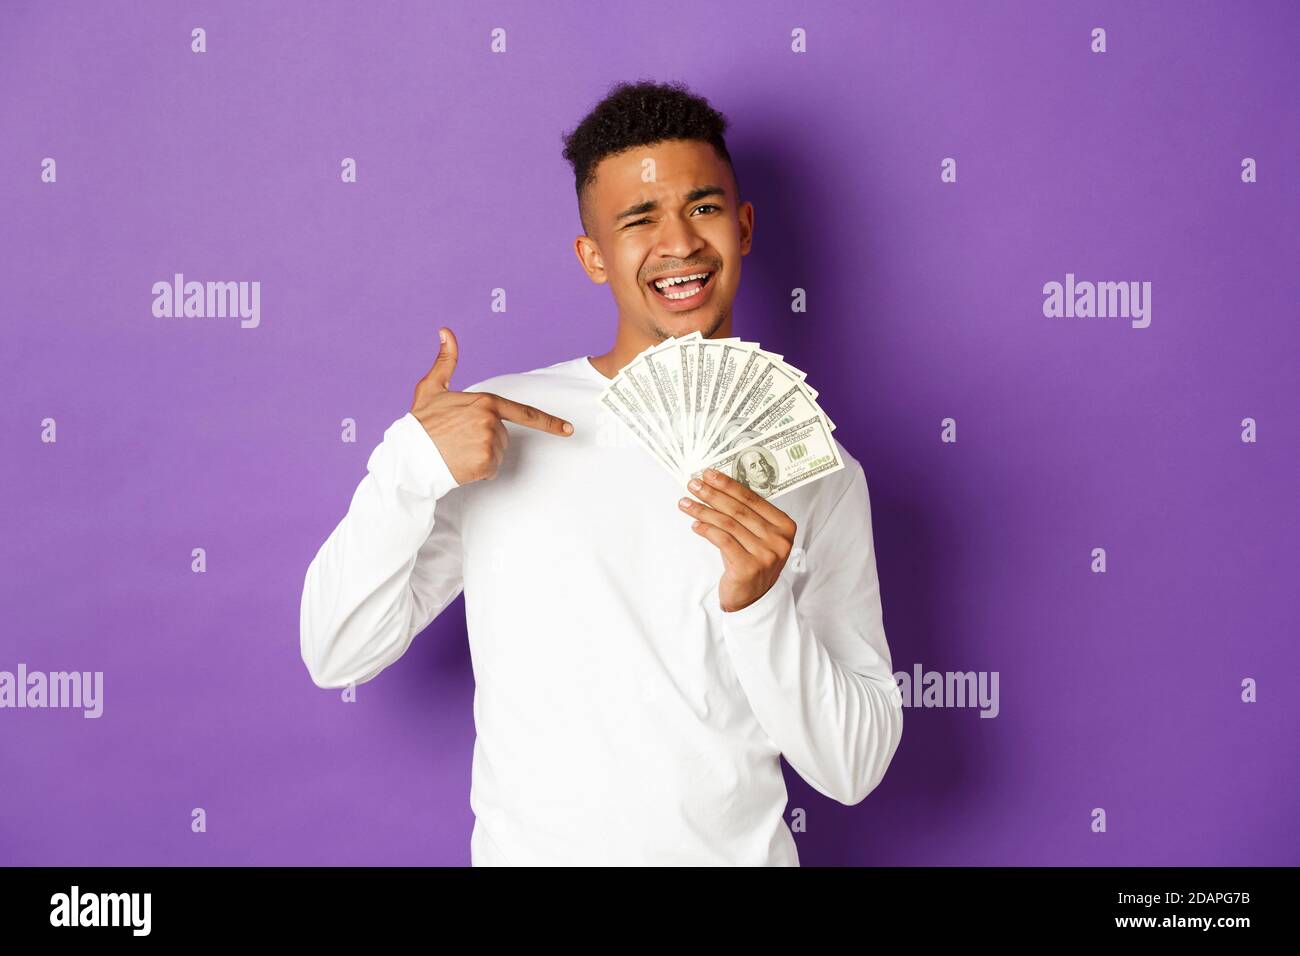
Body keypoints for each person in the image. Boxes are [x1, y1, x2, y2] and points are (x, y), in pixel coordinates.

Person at [299, 79, 903, 866]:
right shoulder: (502, 427)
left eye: (704, 207)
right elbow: (336, 651)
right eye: (638, 219)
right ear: (592, 256)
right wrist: (408, 463)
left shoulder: (817, 469)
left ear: (745, 226)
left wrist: (759, 610)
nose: (679, 242)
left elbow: (854, 768)